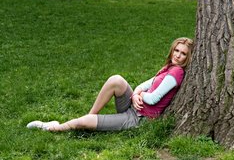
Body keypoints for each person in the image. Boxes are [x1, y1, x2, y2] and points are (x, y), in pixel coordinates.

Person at [27, 37, 194, 132]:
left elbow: (153, 99)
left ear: (188, 57)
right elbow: (145, 84)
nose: (178, 55)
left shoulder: (176, 73)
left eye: (183, 54)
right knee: (116, 80)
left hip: (138, 118)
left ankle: (52, 128)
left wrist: (140, 96)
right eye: (176, 51)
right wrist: (136, 94)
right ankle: (89, 118)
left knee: (83, 122)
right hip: (135, 106)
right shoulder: (169, 67)